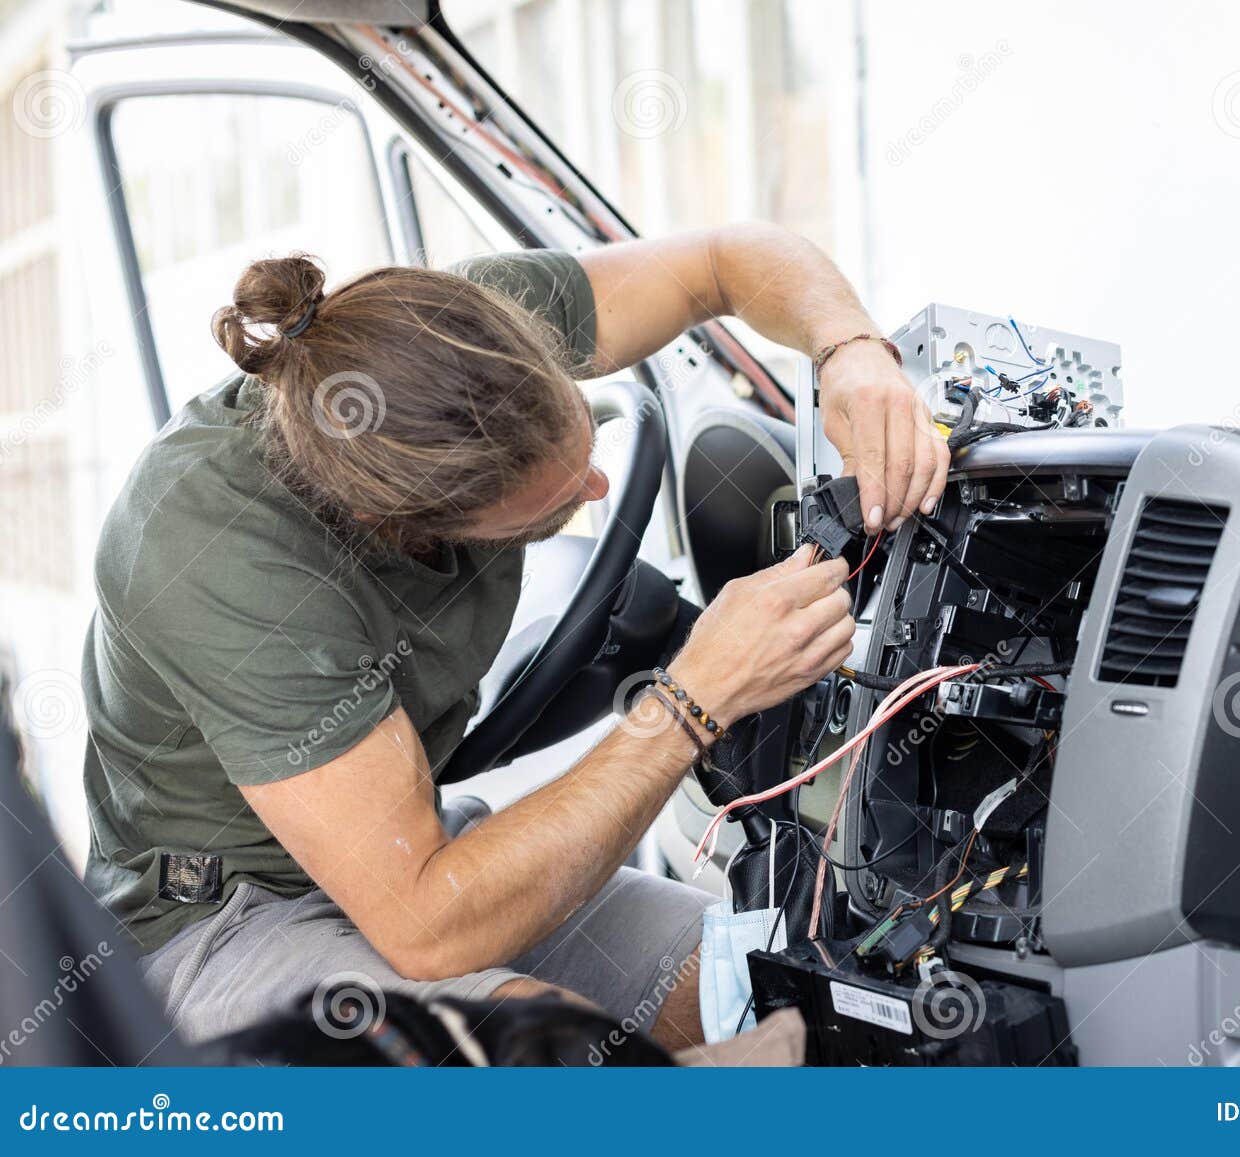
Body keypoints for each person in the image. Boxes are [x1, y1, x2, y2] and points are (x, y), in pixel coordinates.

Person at [82, 224, 947, 1052]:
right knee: (550, 1056)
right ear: (412, 522)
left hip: (408, 849)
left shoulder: (462, 347)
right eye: (560, 501)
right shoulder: (217, 556)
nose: (601, 480)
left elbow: (720, 260)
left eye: (585, 440)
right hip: (223, 921)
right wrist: (695, 699)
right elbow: (426, 922)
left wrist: (851, 350)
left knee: (763, 990)